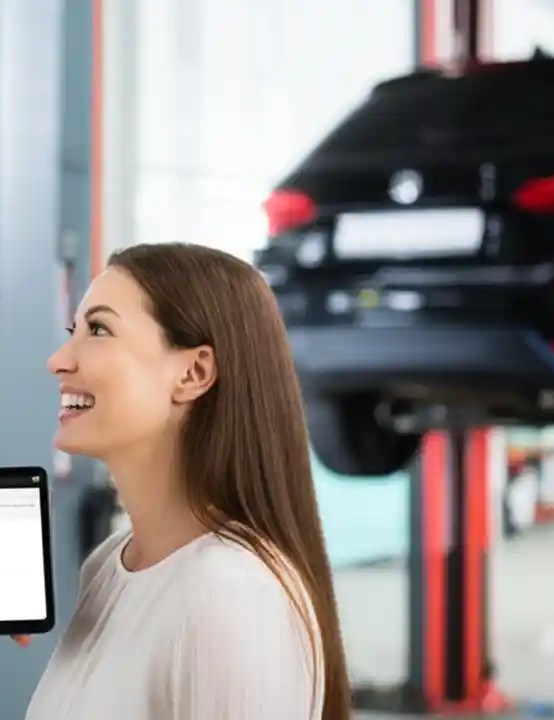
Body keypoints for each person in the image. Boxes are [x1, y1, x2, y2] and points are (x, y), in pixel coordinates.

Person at [25, 243, 352, 720]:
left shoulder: (232, 593)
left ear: (194, 372)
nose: (58, 360)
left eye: (98, 329)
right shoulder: (108, 566)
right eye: (74, 330)